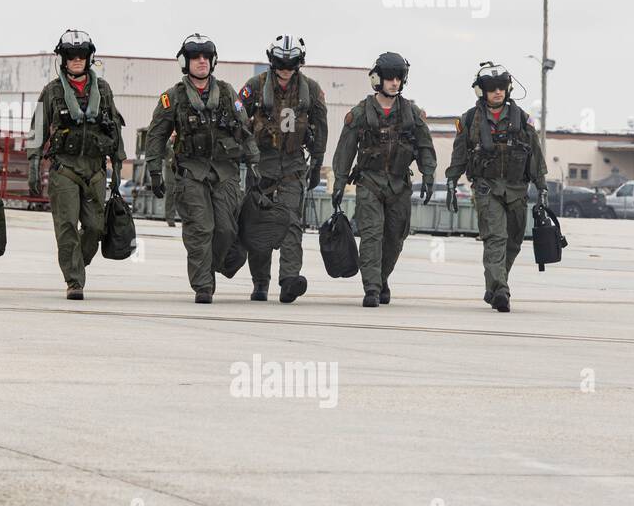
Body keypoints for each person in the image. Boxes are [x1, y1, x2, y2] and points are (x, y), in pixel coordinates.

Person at [145, 34, 259, 303]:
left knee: (226, 230)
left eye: (206, 57)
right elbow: (156, 135)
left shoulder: (228, 93)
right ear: (185, 62)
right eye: (196, 57)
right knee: (201, 228)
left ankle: (211, 268)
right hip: (191, 171)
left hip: (224, 171)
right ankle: (203, 286)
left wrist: (254, 162)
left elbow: (244, 130)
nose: (201, 62)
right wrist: (153, 170)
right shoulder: (172, 97)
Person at [331, 52, 437, 307]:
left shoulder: (411, 112)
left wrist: (429, 175)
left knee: (395, 238)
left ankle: (381, 277)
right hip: (370, 182)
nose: (394, 83)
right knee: (371, 235)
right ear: (378, 79)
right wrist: (339, 182)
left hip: (399, 185)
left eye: (398, 78)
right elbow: (345, 150)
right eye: (389, 78)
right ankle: (371, 288)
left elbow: (425, 146)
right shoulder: (361, 113)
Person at [27, 30, 126, 301]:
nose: (77, 60)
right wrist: (34, 162)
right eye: (71, 55)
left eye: (82, 55)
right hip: (65, 169)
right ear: (63, 59)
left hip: (94, 169)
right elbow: (37, 129)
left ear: (89, 57)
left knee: (95, 227)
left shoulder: (103, 90)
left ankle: (76, 263)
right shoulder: (52, 91)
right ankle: (74, 280)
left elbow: (115, 127)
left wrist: (117, 164)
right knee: (67, 226)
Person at [445, 62, 548, 312]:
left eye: (501, 87)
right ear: (482, 91)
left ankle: (494, 285)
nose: (498, 92)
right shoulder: (469, 120)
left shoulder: (523, 120)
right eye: (492, 88)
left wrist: (542, 187)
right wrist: (451, 181)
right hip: (486, 188)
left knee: (513, 241)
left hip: (516, 190)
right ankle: (501, 289)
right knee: (496, 238)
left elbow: (535, 155)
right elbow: (459, 155)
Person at [238, 35, 328, 303]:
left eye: (291, 64)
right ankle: (260, 283)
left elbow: (321, 126)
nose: (286, 69)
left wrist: (317, 164)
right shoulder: (255, 86)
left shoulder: (310, 89)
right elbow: (237, 115)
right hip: (261, 167)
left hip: (293, 167)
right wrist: (244, 151)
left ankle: (289, 280)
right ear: (272, 62)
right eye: (281, 63)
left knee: (291, 224)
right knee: (259, 225)